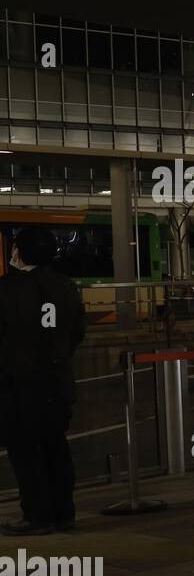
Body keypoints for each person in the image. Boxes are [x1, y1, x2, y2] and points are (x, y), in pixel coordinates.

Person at [0, 228, 86, 536]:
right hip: (57, 382)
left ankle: (37, 514)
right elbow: (77, 332)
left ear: (19, 253)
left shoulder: (7, 289)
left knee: (25, 453)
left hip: (18, 384)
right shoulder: (66, 286)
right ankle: (64, 512)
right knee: (55, 447)